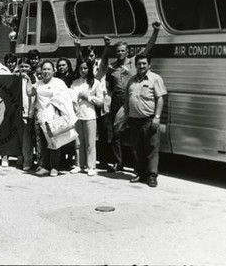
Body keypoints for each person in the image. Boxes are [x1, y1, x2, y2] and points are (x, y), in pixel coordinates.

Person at [101, 21, 161, 173]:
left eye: (123, 51)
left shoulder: (135, 63)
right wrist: (106, 46)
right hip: (117, 100)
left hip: (132, 101)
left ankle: (138, 167)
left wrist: (155, 32)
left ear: (127, 52)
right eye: (118, 51)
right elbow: (108, 84)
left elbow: (148, 48)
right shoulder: (112, 67)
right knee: (116, 133)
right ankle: (118, 163)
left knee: (137, 135)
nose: (120, 53)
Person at [125, 53, 167, 187]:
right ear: (135, 65)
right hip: (134, 119)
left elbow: (160, 98)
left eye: (144, 63)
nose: (141, 66)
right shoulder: (131, 81)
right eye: (139, 64)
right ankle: (140, 173)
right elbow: (127, 100)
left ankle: (152, 176)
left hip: (149, 119)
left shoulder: (155, 79)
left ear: (149, 65)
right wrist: (126, 116)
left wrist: (157, 117)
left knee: (151, 149)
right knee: (137, 149)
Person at [24, 60, 70, 177]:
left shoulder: (59, 83)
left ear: (54, 71)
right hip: (42, 118)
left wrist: (55, 110)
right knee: (43, 144)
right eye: (44, 69)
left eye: (49, 69)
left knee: (54, 144)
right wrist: (28, 80)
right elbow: (30, 92)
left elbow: (64, 99)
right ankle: (45, 166)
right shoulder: (38, 84)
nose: (46, 71)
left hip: (55, 118)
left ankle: (55, 167)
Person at [70, 59, 105, 176]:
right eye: (81, 68)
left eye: (85, 68)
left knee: (90, 142)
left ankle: (91, 166)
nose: (83, 71)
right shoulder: (75, 83)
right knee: (78, 142)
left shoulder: (95, 83)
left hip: (90, 116)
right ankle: (79, 165)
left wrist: (89, 97)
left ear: (89, 69)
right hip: (77, 116)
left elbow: (100, 101)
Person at [54, 57, 76, 168]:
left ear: (68, 66)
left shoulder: (73, 77)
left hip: (70, 109)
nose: (61, 67)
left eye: (63, 65)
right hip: (59, 109)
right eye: (59, 66)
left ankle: (70, 159)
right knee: (61, 134)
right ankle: (62, 159)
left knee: (71, 135)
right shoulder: (55, 78)